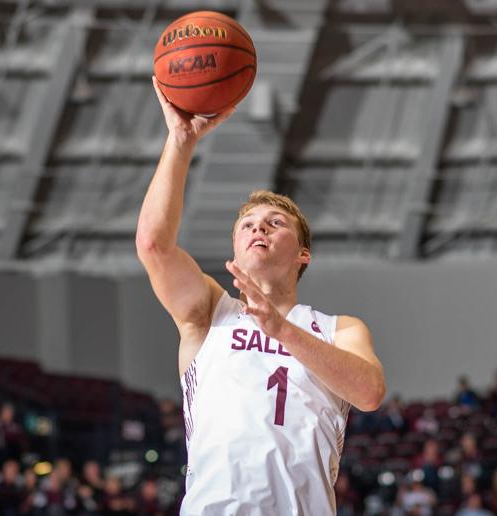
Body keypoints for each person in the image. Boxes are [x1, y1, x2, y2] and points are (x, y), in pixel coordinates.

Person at [137, 77, 386, 514]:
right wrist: (179, 141)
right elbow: (154, 246)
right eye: (248, 224)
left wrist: (280, 329)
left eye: (275, 223)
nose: (259, 228)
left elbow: (369, 392)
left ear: (303, 254)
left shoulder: (338, 328)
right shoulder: (209, 311)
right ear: (235, 246)